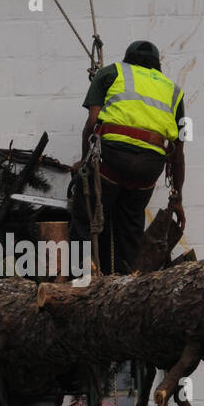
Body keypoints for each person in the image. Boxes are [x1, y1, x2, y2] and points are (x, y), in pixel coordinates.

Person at [69, 40, 186, 275]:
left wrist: (84, 162)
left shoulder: (110, 73)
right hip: (148, 172)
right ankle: (128, 289)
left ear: (127, 59)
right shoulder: (175, 92)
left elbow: (92, 123)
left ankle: (79, 282)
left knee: (85, 222)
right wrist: (177, 198)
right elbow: (179, 151)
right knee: (130, 233)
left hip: (111, 164)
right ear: (158, 65)